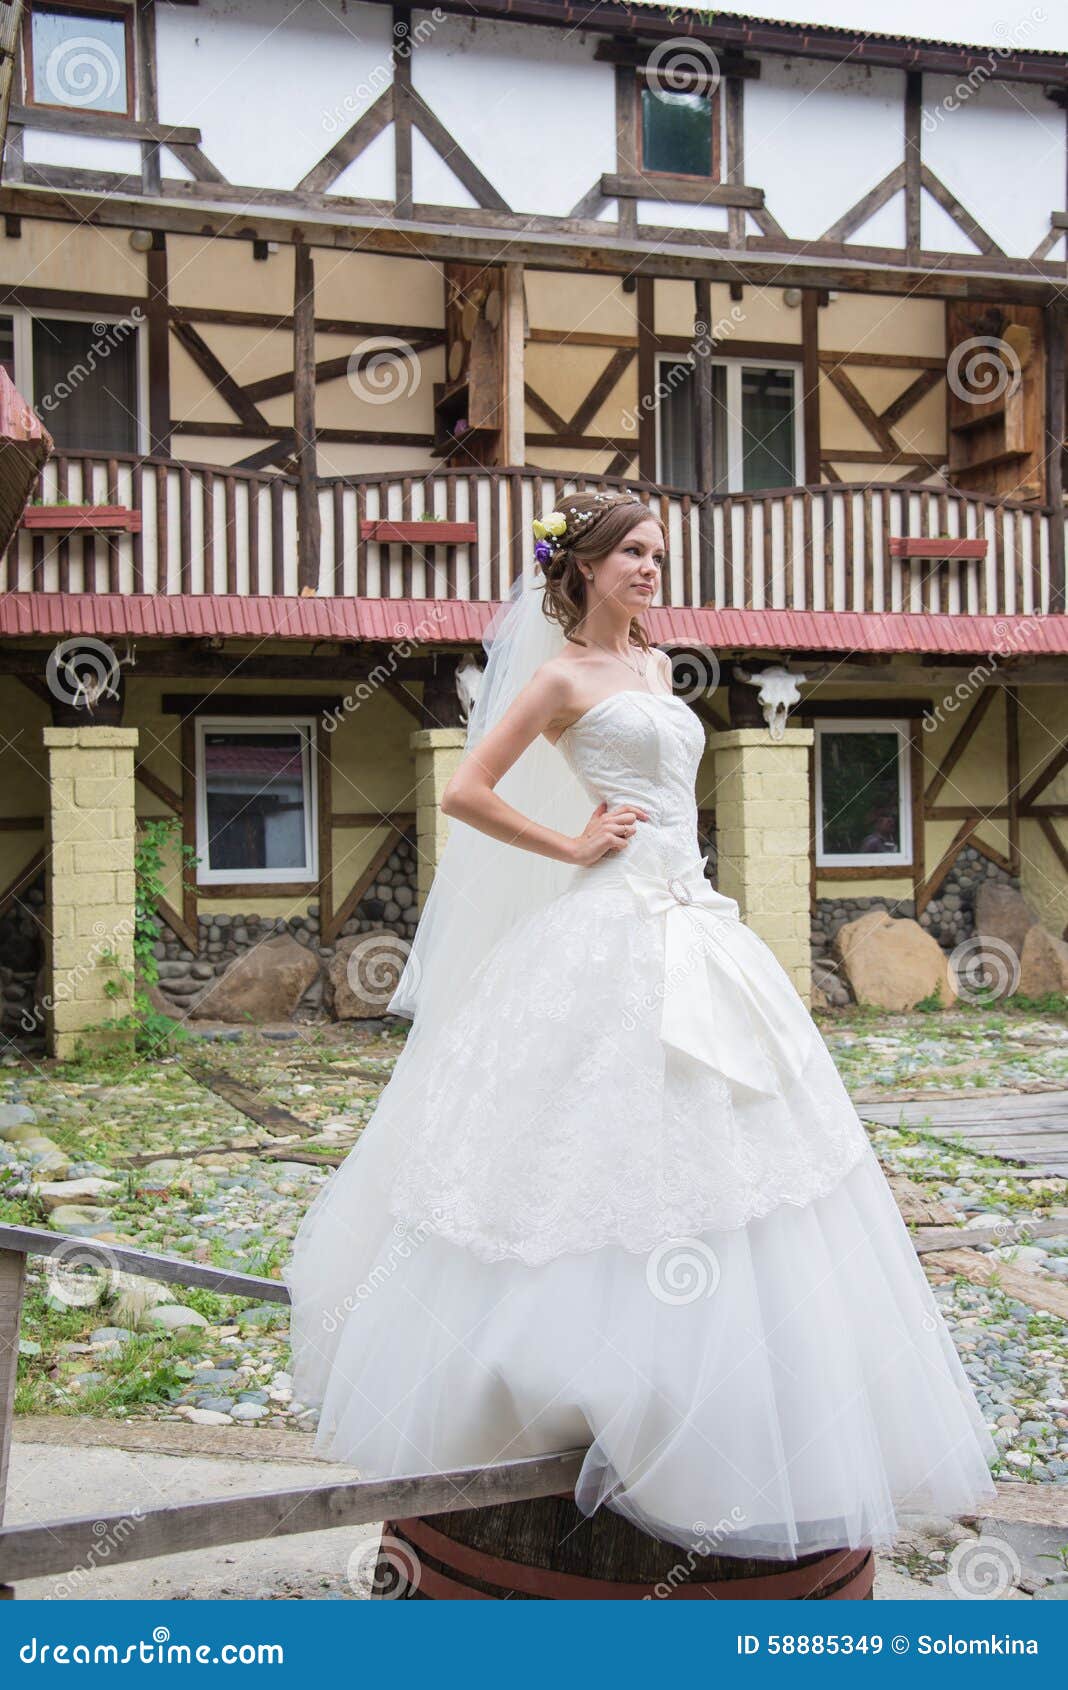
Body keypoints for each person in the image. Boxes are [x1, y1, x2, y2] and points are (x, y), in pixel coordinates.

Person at [284, 489, 998, 1561]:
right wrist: (570, 845)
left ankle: (724, 1395)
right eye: (635, 552)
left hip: (693, 919)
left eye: (662, 551)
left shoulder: (659, 670)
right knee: (585, 1142)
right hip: (605, 926)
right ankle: (564, 1391)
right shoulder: (560, 676)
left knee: (729, 1139)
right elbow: (468, 790)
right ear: (584, 569)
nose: (654, 567)